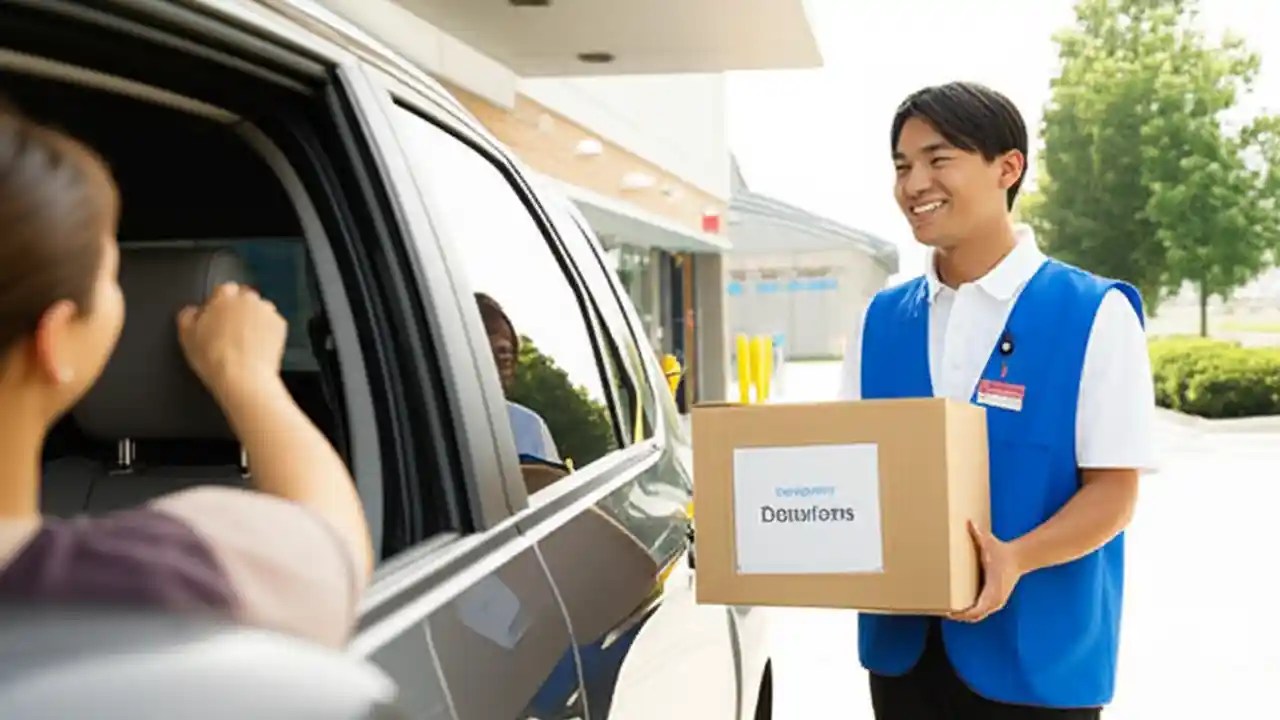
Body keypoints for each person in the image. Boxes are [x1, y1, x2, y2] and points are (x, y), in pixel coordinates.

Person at [838, 81, 1155, 719]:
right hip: (904, 657)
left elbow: (1114, 492)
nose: (913, 183)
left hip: (1040, 660)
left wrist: (1015, 559)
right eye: (902, 166)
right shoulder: (879, 320)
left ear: (1007, 167)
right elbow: (849, 473)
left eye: (938, 159)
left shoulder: (1093, 313)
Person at [0, 109, 372, 648]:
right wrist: (247, 379)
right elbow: (334, 547)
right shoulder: (135, 585)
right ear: (53, 340)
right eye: (112, 276)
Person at [474, 292, 561, 463]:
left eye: (508, 346)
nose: (504, 351)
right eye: (488, 334)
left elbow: (549, 482)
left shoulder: (526, 426)